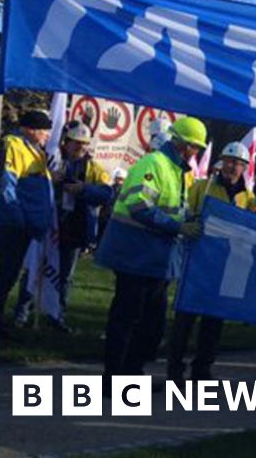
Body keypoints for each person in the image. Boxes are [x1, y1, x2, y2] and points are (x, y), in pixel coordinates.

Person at [96, 116, 207, 391]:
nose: (196, 152)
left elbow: (169, 209)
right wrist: (178, 226)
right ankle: (114, 378)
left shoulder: (176, 170)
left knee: (151, 323)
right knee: (128, 318)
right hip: (134, 255)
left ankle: (131, 373)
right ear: (183, 144)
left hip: (153, 258)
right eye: (195, 147)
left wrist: (188, 219)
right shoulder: (154, 164)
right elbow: (139, 206)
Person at [166, 142, 255, 383]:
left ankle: (202, 369)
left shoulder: (248, 198)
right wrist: (190, 221)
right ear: (221, 162)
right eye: (229, 161)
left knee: (213, 322)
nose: (232, 167)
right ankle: (174, 370)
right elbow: (184, 211)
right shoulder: (202, 187)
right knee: (185, 320)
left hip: (225, 266)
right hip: (197, 263)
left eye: (238, 163)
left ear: (245, 168)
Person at [14, 122, 113, 332]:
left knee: (65, 276)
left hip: (74, 228)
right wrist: (50, 180)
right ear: (66, 142)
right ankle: (22, 313)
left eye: (84, 143)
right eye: (76, 143)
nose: (81, 147)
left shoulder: (93, 168)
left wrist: (83, 189)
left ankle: (57, 314)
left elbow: (106, 193)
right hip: (47, 225)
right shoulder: (50, 160)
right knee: (34, 269)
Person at [0, 110, 54, 339]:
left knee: (9, 277)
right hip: (12, 225)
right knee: (1, 275)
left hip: (25, 226)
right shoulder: (14, 146)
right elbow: (7, 186)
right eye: (44, 130)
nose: (47, 134)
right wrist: (17, 219)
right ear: (30, 130)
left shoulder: (36, 152)